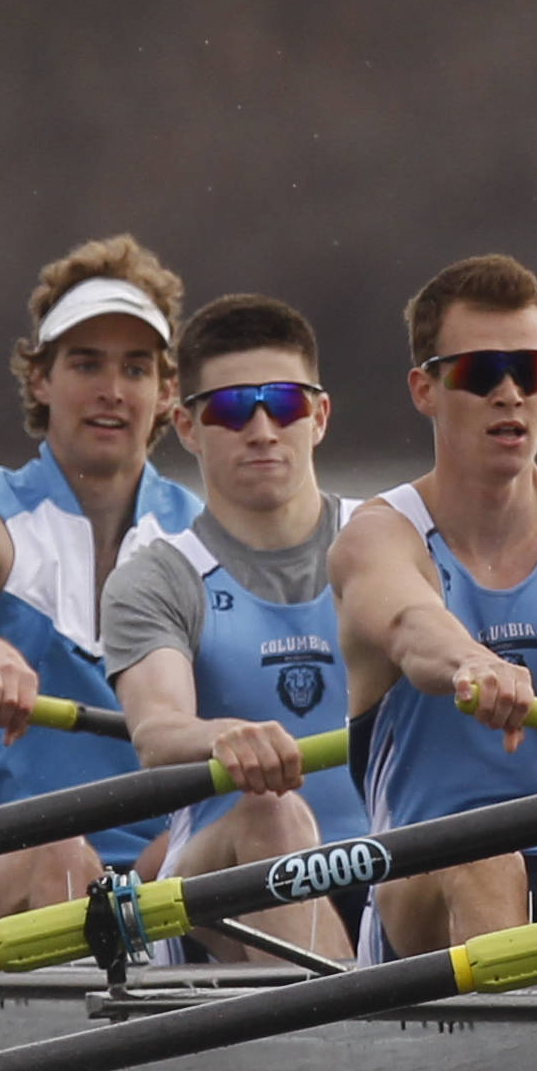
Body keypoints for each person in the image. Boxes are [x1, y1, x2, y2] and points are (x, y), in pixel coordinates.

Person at [330, 253, 537, 961]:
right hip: (428, 877)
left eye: (531, 371)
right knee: (486, 856)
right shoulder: (378, 535)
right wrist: (472, 662)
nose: (508, 394)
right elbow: (408, 622)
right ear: (423, 389)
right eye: (478, 373)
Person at [0, 238, 208, 930]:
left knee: (266, 829)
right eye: (85, 364)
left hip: (158, 869)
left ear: (166, 393)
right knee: (61, 856)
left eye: (135, 368)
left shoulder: (202, 538)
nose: (111, 390)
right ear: (40, 380)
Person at [99, 291, 363, 959]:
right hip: (220, 888)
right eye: (230, 408)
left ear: (320, 414)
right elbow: (158, 731)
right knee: (273, 814)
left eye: (285, 402)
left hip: (388, 867)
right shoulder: (156, 578)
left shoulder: (389, 542)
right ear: (186, 428)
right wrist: (222, 735)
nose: (263, 428)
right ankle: (354, 1038)